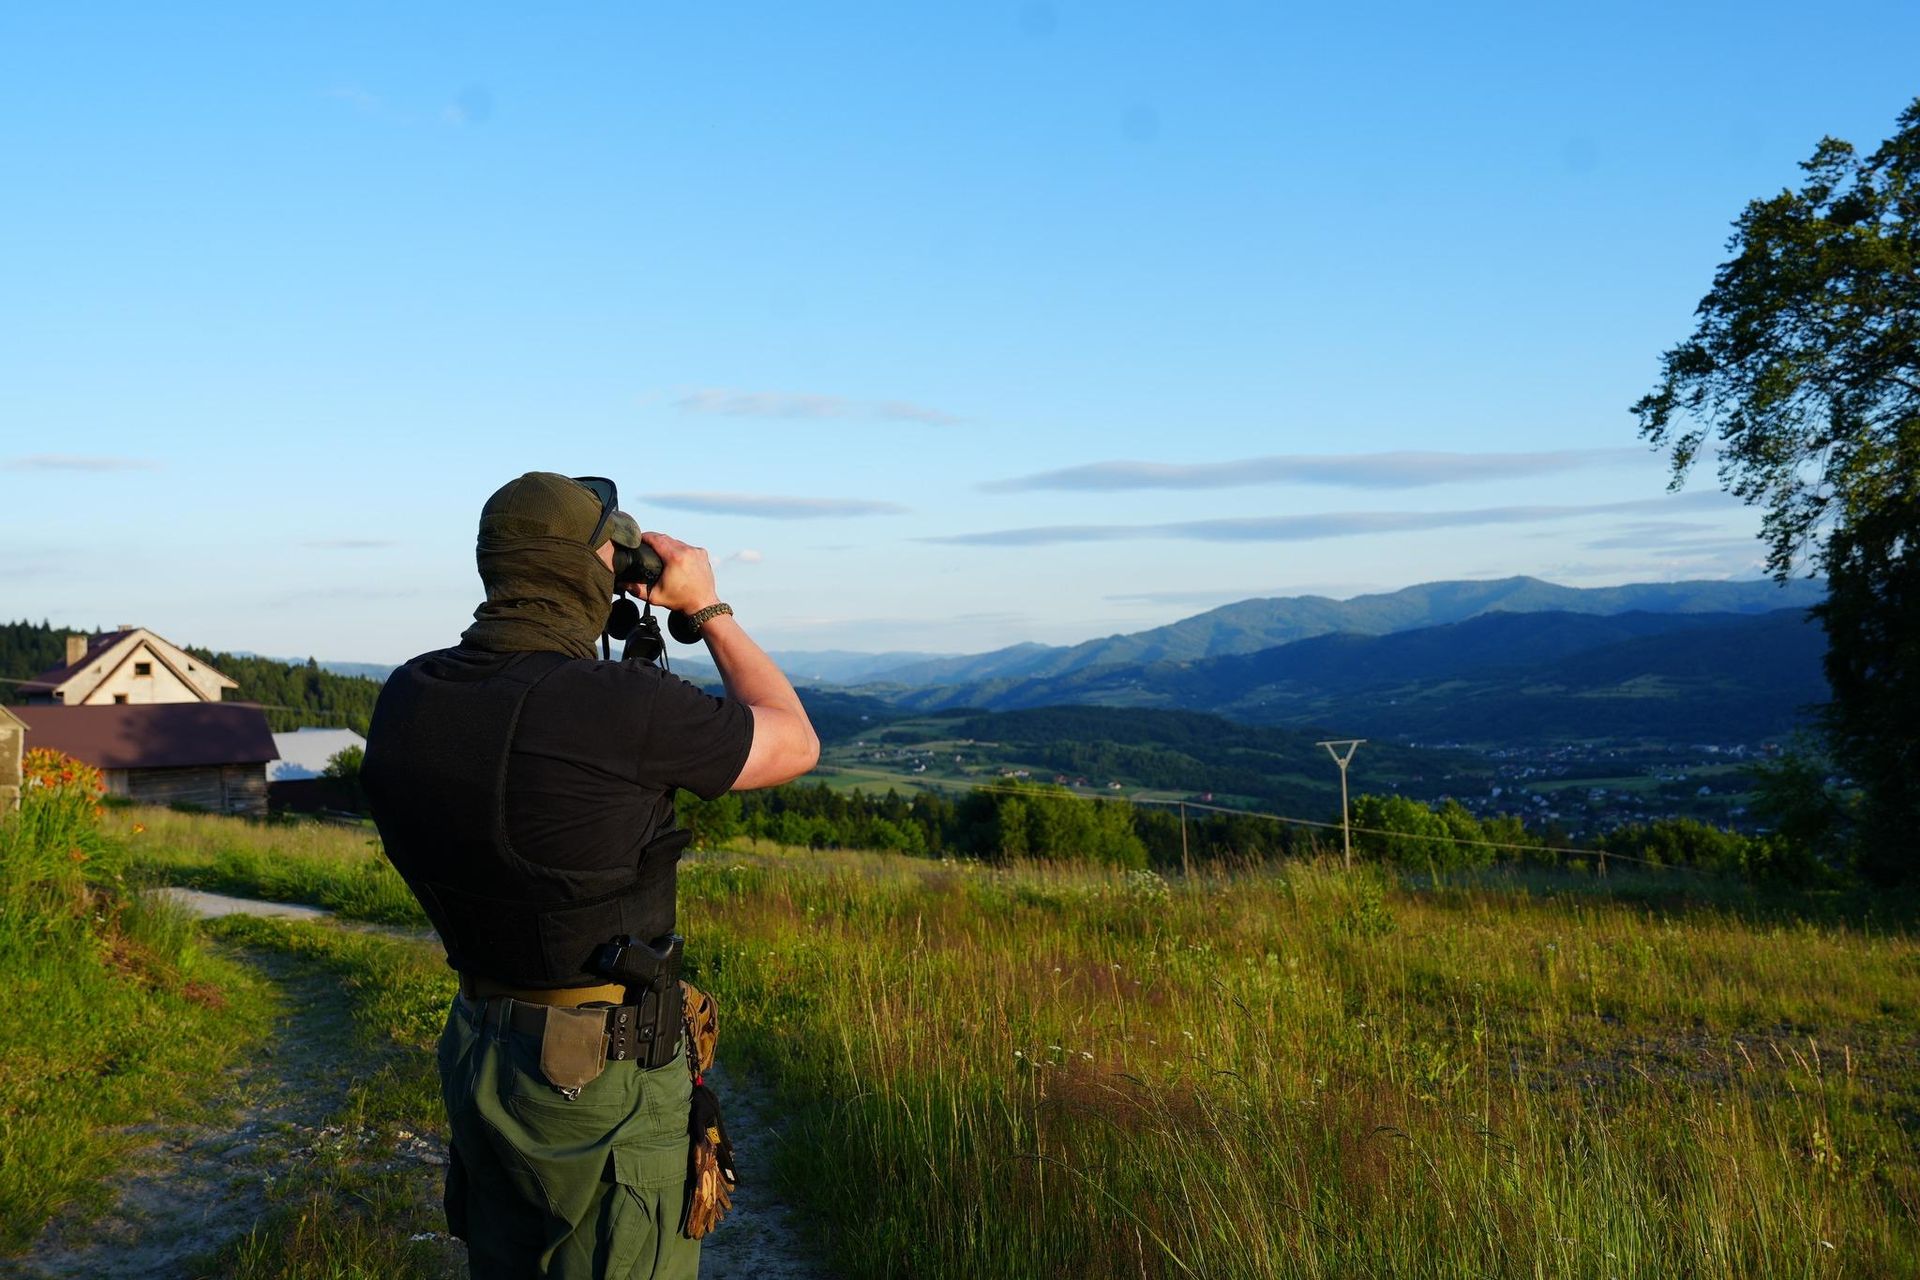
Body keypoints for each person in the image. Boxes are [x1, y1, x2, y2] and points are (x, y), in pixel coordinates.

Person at [361, 472, 818, 1280]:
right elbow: (792, 741)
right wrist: (706, 608)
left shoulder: (411, 695)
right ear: (589, 567)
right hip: (598, 1081)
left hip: (479, 1049)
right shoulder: (614, 707)